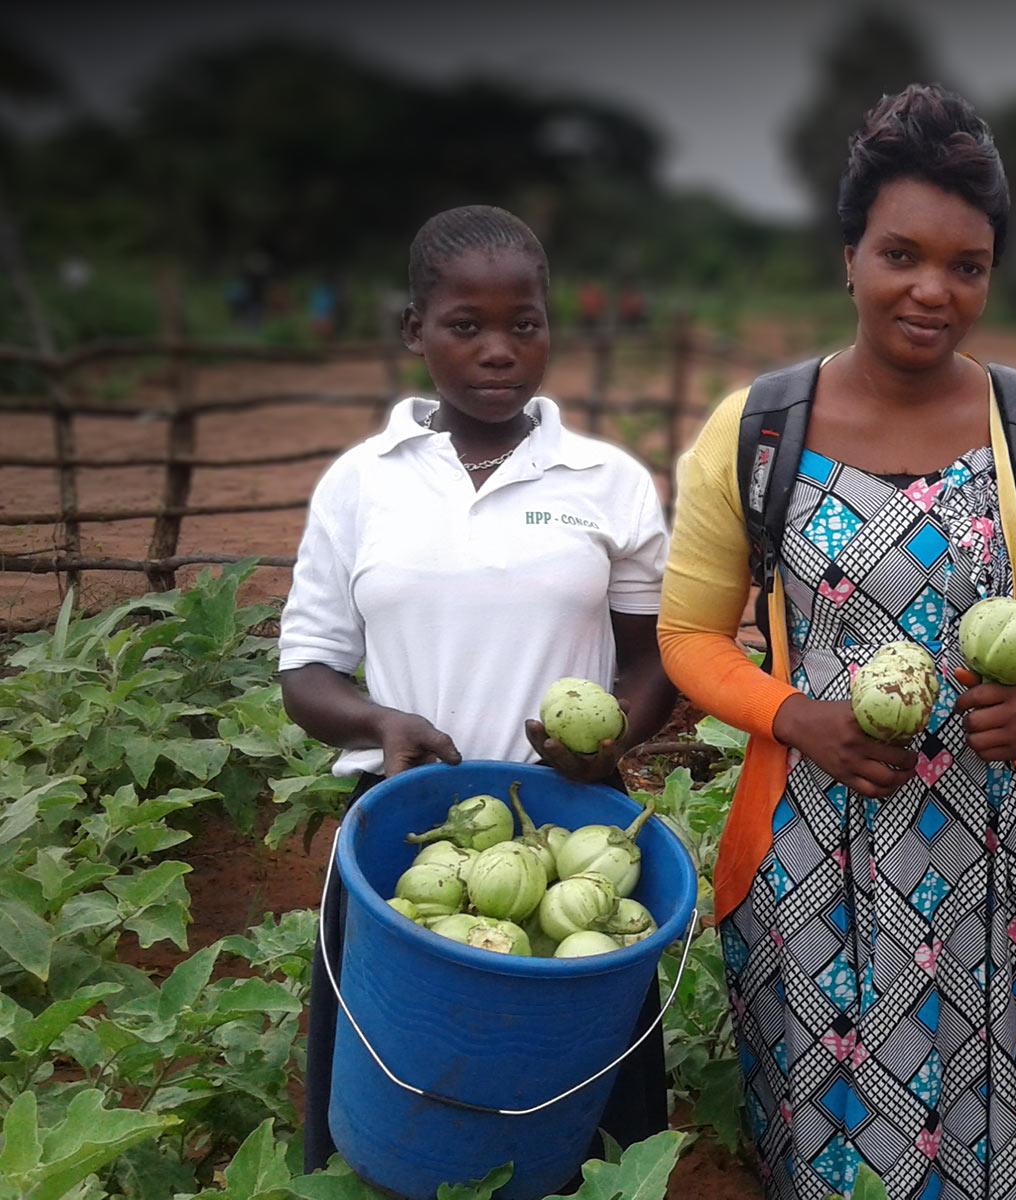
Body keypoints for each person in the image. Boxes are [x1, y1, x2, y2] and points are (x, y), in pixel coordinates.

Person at [658, 85, 1016, 1200]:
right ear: (849, 259)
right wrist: (796, 717)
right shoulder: (757, 431)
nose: (933, 290)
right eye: (901, 255)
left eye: (967, 266)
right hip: (814, 863)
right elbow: (688, 635)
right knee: (841, 1147)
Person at [277, 205, 678, 1172]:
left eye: (523, 324)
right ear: (414, 330)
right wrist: (381, 721)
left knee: (578, 1118)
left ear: (550, 329)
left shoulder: (606, 480)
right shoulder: (362, 483)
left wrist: (613, 737)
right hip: (408, 835)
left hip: (575, 839)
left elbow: (654, 659)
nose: (499, 350)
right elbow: (306, 670)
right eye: (466, 326)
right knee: (402, 1098)